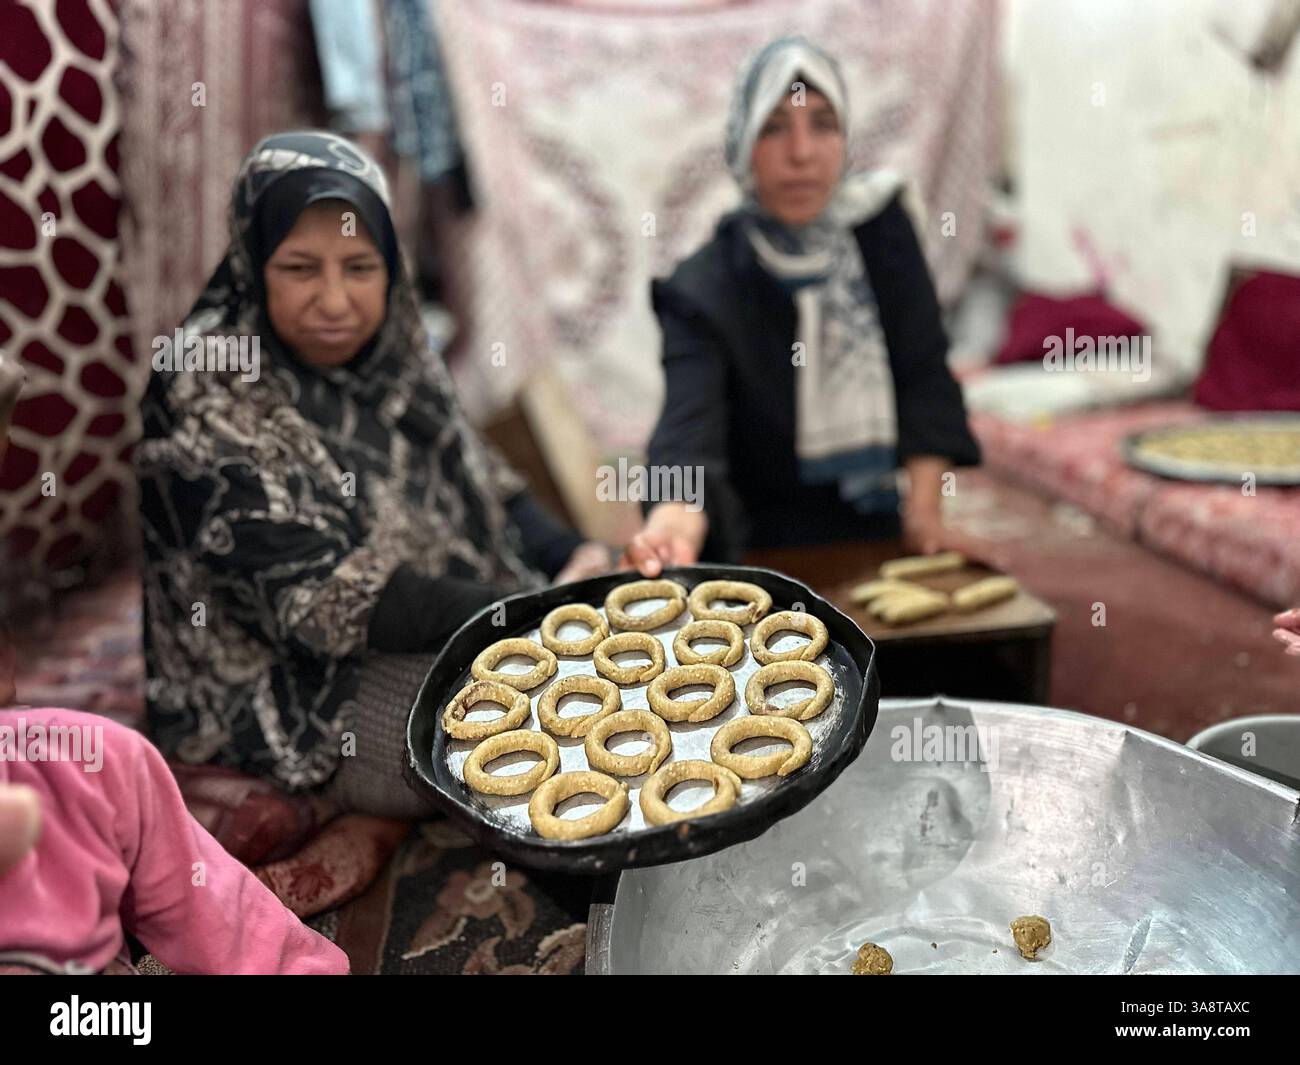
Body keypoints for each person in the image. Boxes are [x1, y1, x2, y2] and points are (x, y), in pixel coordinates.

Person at [136, 132, 618, 818]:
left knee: (630, 640)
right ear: (252, 262)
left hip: (443, 613)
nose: (336, 300)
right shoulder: (205, 385)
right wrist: (529, 617)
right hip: (286, 682)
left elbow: (483, 476)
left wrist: (572, 556)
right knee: (526, 730)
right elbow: (318, 606)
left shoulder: (391, 348)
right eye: (301, 268)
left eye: (360, 267)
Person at [627, 37, 980, 575]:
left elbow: (923, 372)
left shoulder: (881, 234)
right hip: (761, 549)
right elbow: (686, 432)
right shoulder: (705, 286)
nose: (802, 153)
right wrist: (675, 517)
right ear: (742, 144)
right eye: (773, 128)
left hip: (879, 529)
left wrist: (925, 511)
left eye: (822, 124)